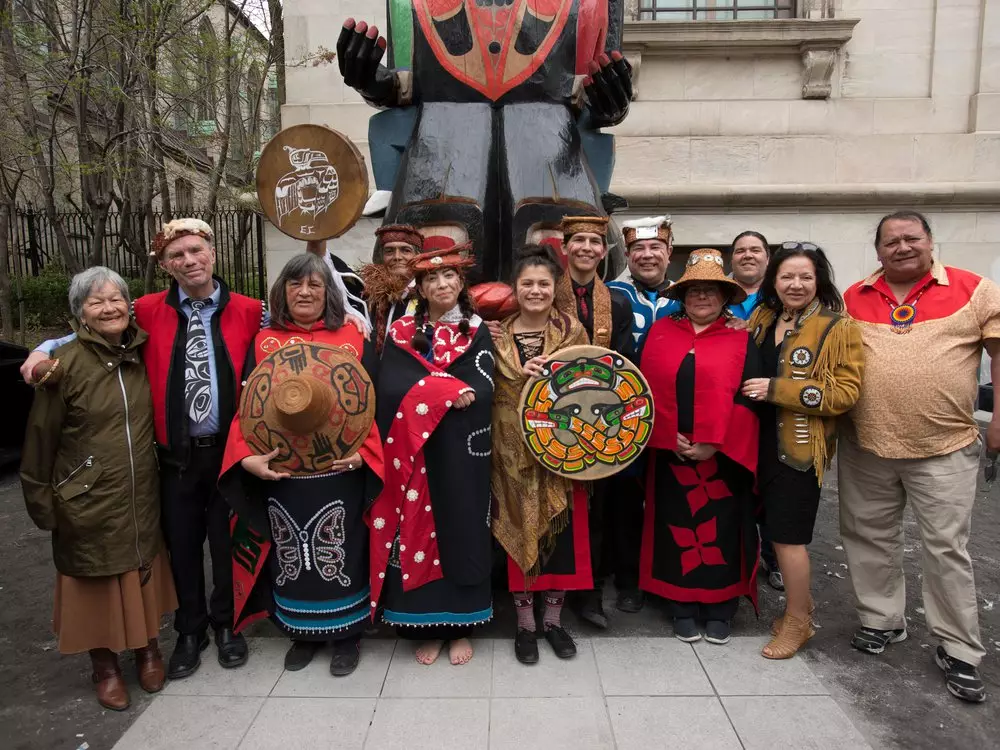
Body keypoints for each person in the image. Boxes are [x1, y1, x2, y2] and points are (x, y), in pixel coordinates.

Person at [21, 219, 262, 678]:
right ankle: (190, 630)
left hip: (231, 453)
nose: (188, 261)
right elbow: (90, 330)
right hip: (173, 458)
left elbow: (294, 331)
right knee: (181, 545)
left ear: (211, 252)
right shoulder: (145, 309)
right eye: (177, 256)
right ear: (166, 265)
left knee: (227, 542)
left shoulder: (251, 310)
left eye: (195, 250)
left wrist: (352, 316)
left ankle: (227, 625)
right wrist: (42, 348)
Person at [839, 210, 999, 704]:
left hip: (944, 447)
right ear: (878, 250)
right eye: (891, 241)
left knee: (946, 547)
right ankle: (882, 619)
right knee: (868, 535)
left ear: (931, 242)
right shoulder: (853, 296)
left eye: (912, 238)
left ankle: (958, 646)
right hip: (867, 444)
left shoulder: (975, 289)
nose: (902, 247)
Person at [219, 253, 384, 676]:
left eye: (314, 284)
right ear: (282, 292)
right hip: (284, 472)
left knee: (342, 551)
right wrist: (246, 457)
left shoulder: (353, 335)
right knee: (292, 553)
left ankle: (347, 636)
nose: (305, 292)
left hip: (339, 471)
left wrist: (364, 453)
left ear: (329, 292)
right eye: (295, 285)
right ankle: (302, 633)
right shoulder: (265, 341)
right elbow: (249, 405)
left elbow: (371, 403)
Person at [20, 267, 177, 710]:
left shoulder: (142, 351)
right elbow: (39, 443)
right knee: (95, 581)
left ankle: (148, 649)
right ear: (80, 314)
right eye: (96, 302)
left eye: (115, 299)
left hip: (140, 489)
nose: (109, 308)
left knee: (140, 572)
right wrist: (43, 505)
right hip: (85, 497)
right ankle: (105, 666)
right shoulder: (62, 366)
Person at [370, 243, 495, 666]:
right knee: (417, 531)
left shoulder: (479, 329)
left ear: (461, 283)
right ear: (420, 288)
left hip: (463, 450)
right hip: (414, 450)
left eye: (448, 277)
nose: (441, 284)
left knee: (463, 526)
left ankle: (463, 627)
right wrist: (445, 390)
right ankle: (426, 626)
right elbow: (391, 386)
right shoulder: (402, 331)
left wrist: (450, 391)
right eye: (430, 279)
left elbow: (482, 386)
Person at [741, 243, 864, 659]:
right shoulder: (763, 318)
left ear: (819, 281)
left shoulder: (836, 327)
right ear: (773, 281)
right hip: (754, 442)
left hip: (797, 448)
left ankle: (798, 624)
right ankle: (800, 606)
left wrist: (779, 391)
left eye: (805, 277)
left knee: (788, 539)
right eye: (787, 277)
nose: (796, 285)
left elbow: (844, 393)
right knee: (772, 534)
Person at [638, 249, 760, 645]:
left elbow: (751, 397)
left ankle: (721, 607)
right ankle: (681, 603)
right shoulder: (661, 332)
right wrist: (662, 432)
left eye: (710, 291)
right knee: (673, 525)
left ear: (725, 297)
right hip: (670, 450)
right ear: (682, 296)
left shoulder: (742, 337)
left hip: (722, 454)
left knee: (722, 528)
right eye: (693, 291)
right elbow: (643, 391)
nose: (702, 297)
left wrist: (714, 444)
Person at [492, 244, 593, 664]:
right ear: (515, 289)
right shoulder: (495, 335)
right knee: (520, 530)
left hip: (564, 452)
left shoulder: (573, 332)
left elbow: (592, 384)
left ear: (556, 288)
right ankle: (525, 625)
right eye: (527, 283)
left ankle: (552, 620)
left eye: (544, 283)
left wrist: (557, 374)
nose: (536, 290)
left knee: (562, 537)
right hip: (510, 454)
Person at [553, 215, 633, 630]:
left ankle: (591, 595)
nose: (586, 247)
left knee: (597, 511)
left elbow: (624, 366)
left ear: (604, 251)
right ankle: (552, 592)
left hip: (600, 419)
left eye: (594, 241)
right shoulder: (545, 295)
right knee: (554, 507)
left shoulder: (617, 303)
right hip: (554, 418)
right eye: (578, 240)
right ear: (564, 247)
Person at [604, 215, 676, 614]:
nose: (647, 256)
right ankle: (628, 579)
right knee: (625, 501)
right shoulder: (609, 294)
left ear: (669, 253)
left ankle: (664, 576)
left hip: (672, 415)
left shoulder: (687, 296)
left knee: (668, 497)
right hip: (623, 417)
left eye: (655, 248)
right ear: (628, 255)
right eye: (638, 250)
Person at [358, 224, 424, 353]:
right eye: (389, 251)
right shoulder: (369, 297)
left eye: (405, 250)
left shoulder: (428, 296)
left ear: (417, 257)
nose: (397, 257)